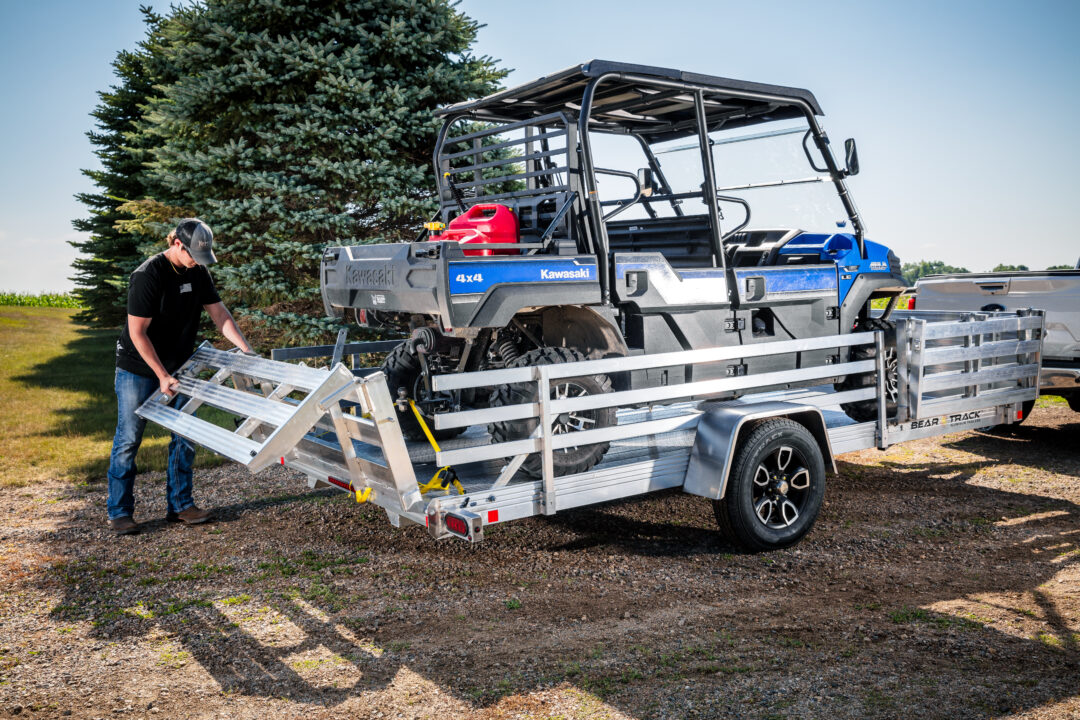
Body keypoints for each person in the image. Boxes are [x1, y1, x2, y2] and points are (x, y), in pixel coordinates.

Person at [107, 219, 253, 535]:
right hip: (139, 367)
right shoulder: (148, 275)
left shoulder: (197, 270)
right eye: (192, 256)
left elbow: (219, 314)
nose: (196, 263)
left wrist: (245, 349)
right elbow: (137, 333)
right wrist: (161, 375)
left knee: (185, 433)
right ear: (177, 244)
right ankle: (119, 512)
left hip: (180, 364)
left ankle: (180, 505)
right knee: (129, 438)